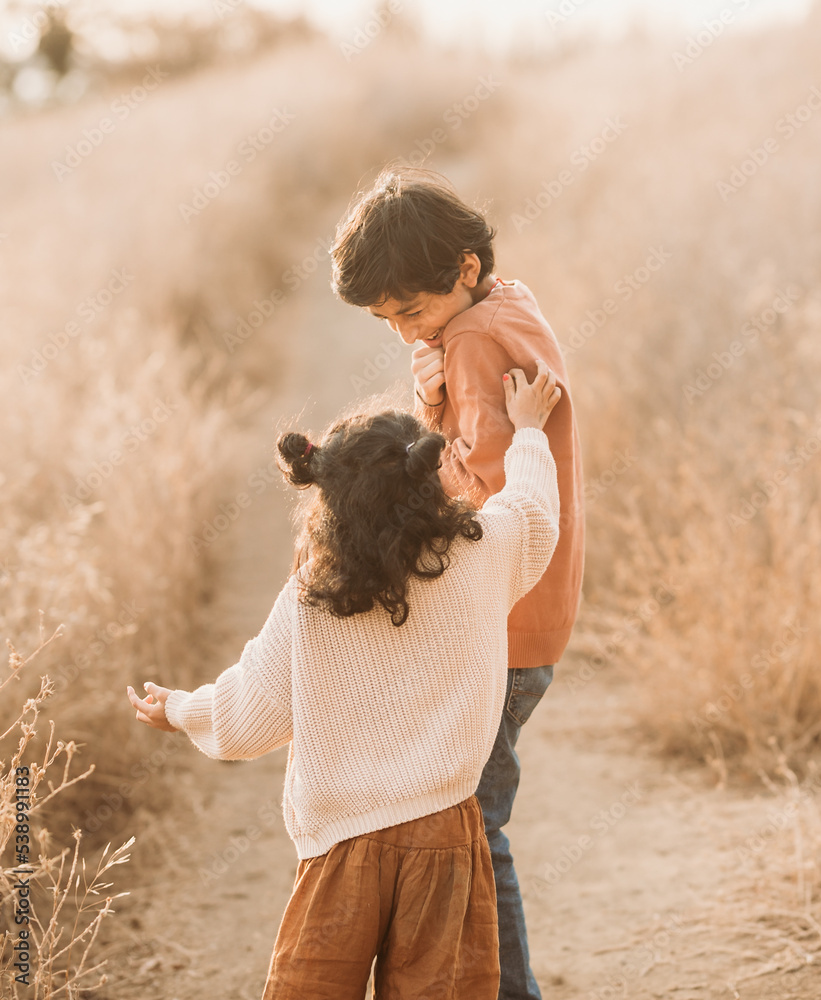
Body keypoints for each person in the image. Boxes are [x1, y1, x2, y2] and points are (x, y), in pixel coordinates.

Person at [126, 363, 562, 1000]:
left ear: (327, 499)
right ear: (432, 477)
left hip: (341, 850)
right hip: (445, 840)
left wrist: (184, 710)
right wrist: (527, 432)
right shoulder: (484, 555)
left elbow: (246, 719)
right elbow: (534, 515)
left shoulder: (310, 601)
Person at [331, 166, 586, 1000]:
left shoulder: (473, 340)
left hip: (495, 619)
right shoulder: (507, 304)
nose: (403, 329)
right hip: (532, 611)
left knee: (476, 829)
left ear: (465, 270)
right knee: (475, 819)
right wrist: (434, 392)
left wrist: (430, 422)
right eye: (387, 319)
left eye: (411, 310)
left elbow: (482, 496)